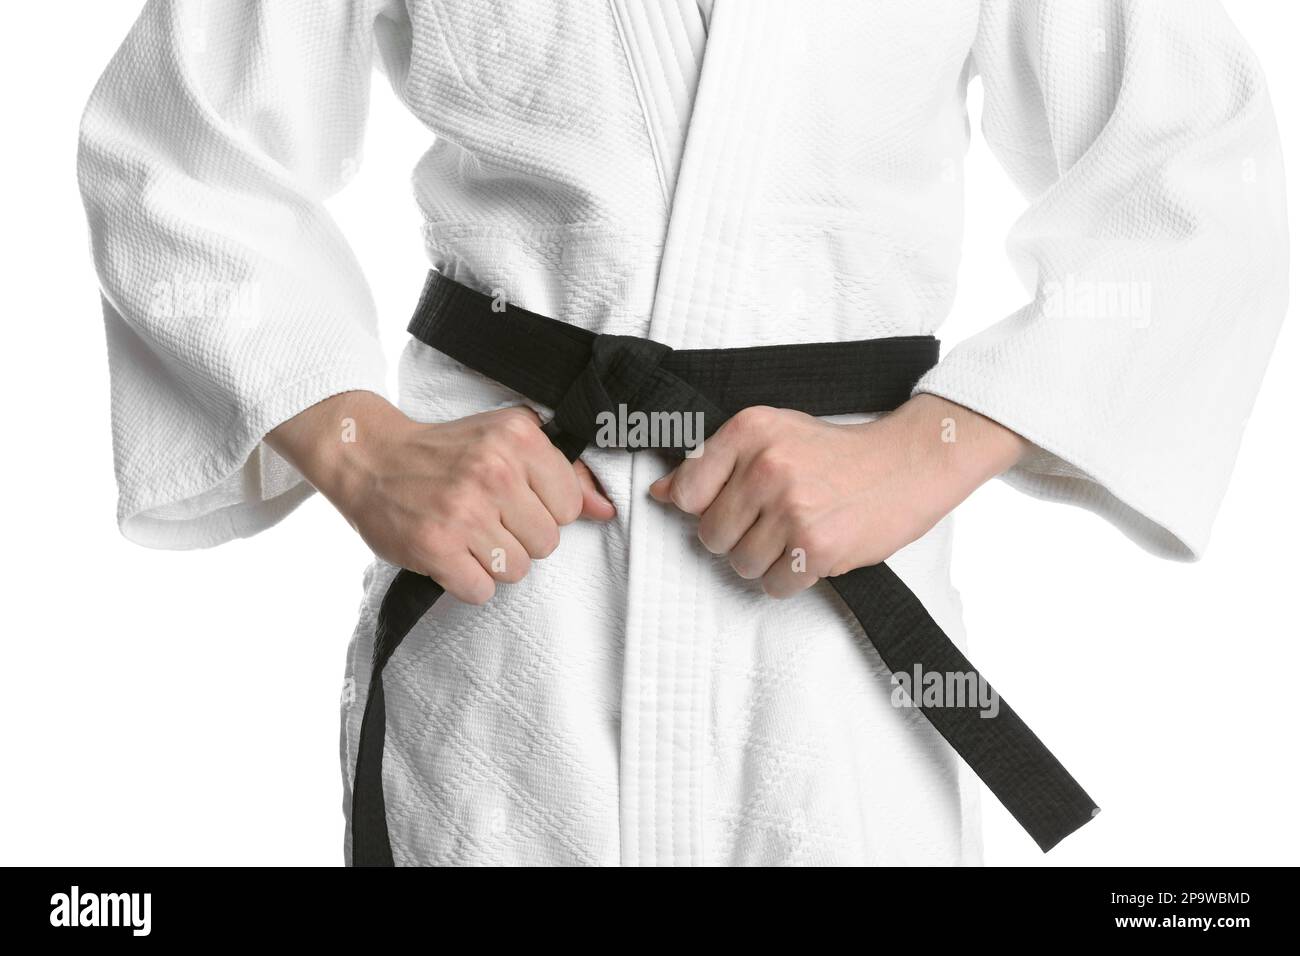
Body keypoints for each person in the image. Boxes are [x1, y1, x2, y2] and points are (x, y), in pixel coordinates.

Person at [78, 0, 1288, 866]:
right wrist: (361, 447)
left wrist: (923, 454)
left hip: (828, 668)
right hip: (509, 626)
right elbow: (172, 155)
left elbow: (1192, 176)